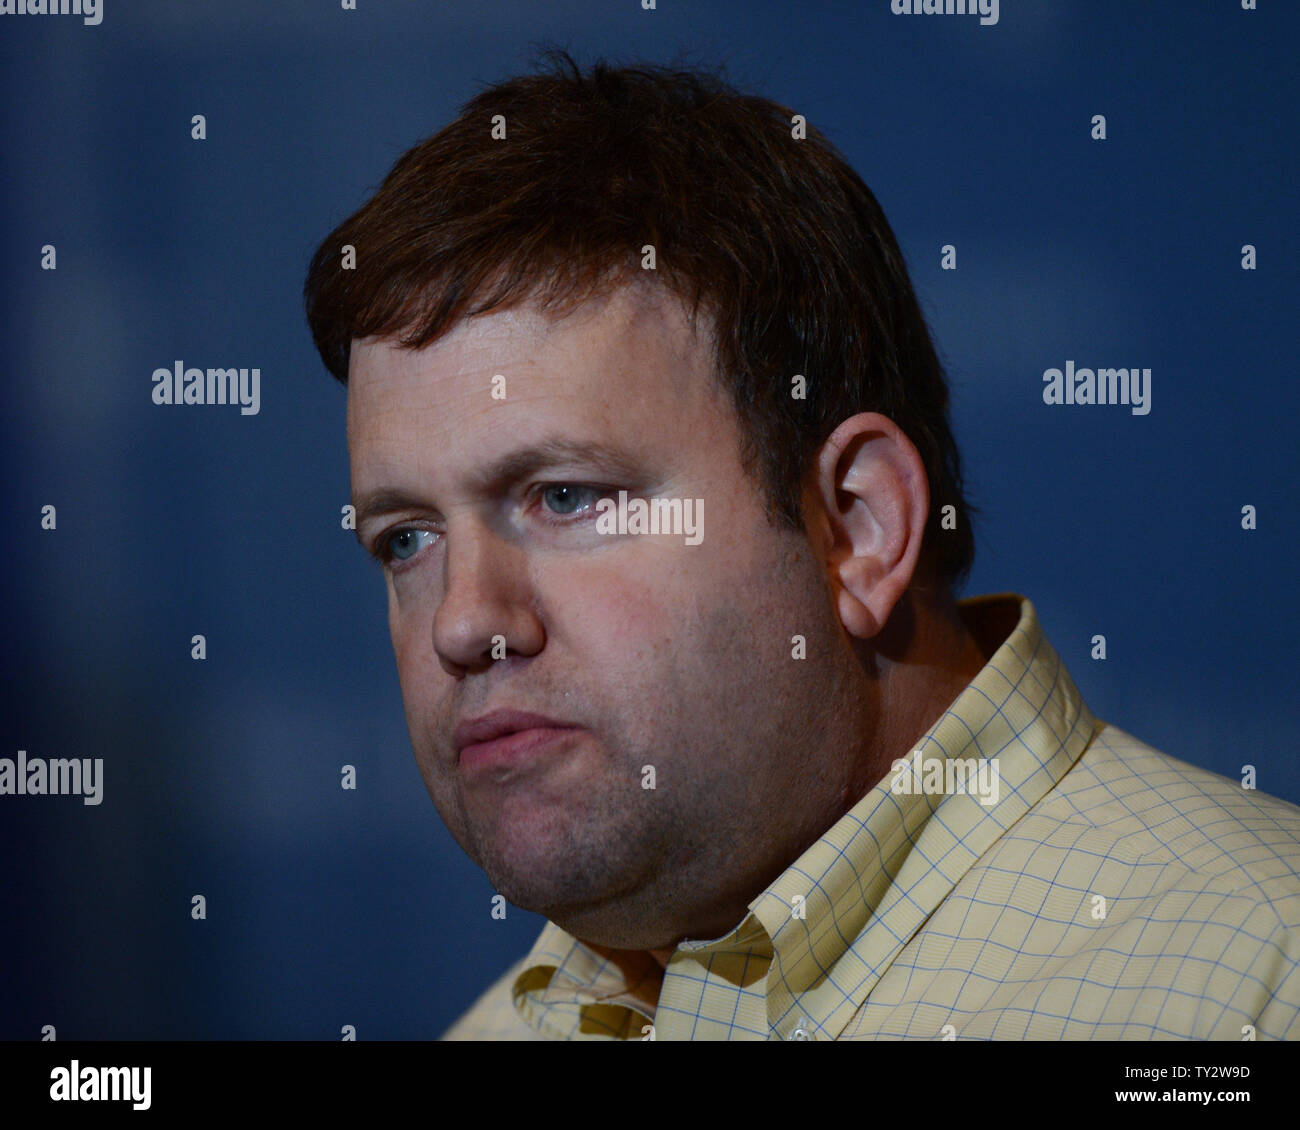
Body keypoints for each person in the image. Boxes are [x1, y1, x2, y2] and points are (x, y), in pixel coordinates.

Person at [302, 51, 1300, 1040]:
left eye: (564, 496)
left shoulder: (1255, 983)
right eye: (406, 539)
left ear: (857, 528)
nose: (464, 620)